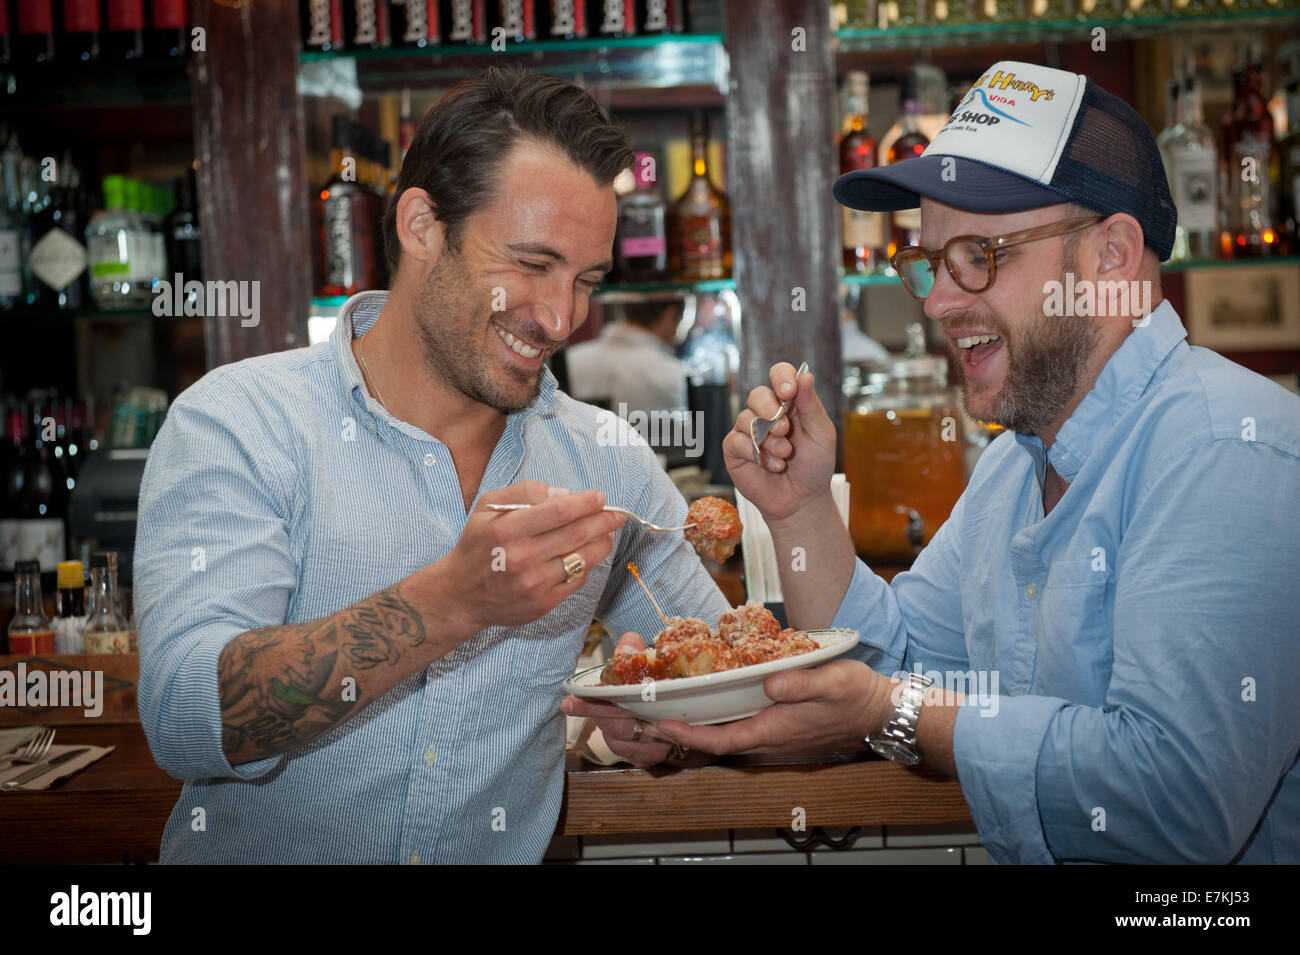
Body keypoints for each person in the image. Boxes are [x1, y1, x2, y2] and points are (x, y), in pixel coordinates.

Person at [573, 61, 1300, 864]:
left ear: (1113, 258)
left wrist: (893, 712)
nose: (938, 303)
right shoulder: (1012, 469)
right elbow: (901, 663)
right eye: (929, 262)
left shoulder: (1226, 447)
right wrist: (799, 510)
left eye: (980, 255)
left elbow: (1176, 802)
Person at [134, 67, 728, 864]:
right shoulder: (240, 421)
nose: (560, 317)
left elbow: (721, 681)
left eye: (586, 280)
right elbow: (185, 716)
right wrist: (450, 602)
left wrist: (653, 723)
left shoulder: (605, 459)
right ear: (422, 226)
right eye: (529, 262)